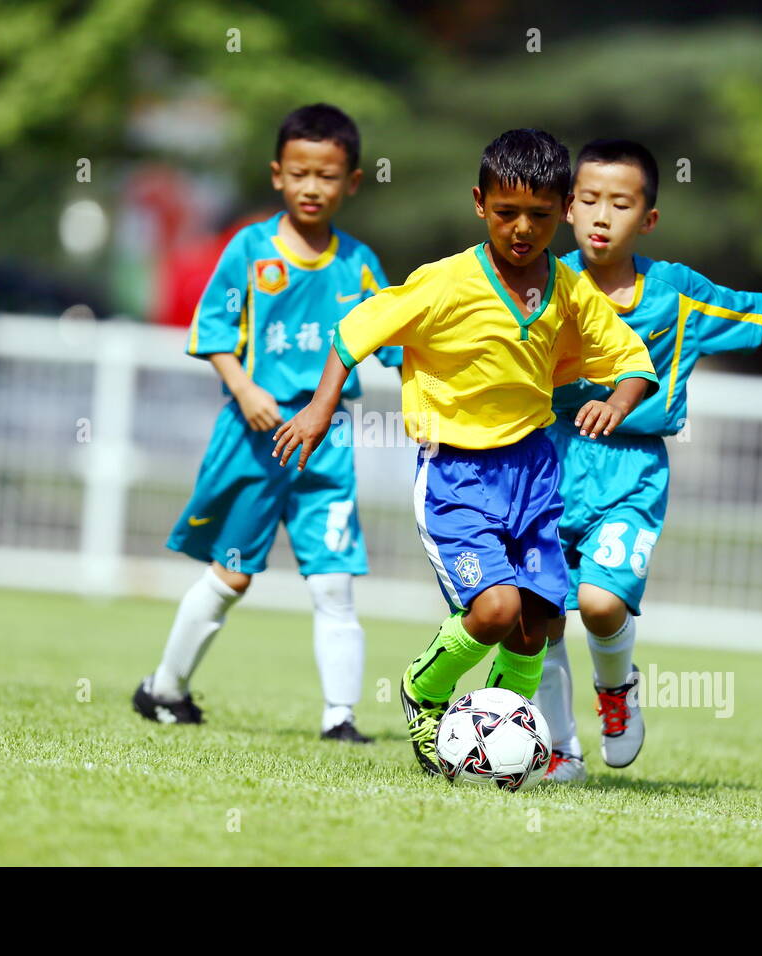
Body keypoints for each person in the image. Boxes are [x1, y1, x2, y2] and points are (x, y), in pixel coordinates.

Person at [272, 129, 659, 775]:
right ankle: (423, 690)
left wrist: (617, 401)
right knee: (495, 609)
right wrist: (319, 408)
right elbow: (355, 330)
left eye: (539, 214)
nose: (522, 228)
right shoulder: (444, 282)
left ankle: (499, 744)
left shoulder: (569, 290)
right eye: (506, 212)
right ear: (480, 204)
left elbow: (632, 359)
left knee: (537, 623)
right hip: (456, 474)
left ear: (564, 209)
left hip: (533, 471)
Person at [536, 139, 762, 782]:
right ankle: (560, 749)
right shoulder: (546, 283)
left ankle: (616, 692)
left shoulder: (676, 293)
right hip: (547, 463)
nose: (601, 216)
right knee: (538, 615)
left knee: (598, 604)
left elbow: (757, 306)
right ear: (567, 208)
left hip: (631, 474)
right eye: (588, 200)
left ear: (648, 218)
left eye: (620, 203)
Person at [132, 104, 402, 743]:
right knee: (232, 576)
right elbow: (213, 330)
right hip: (256, 439)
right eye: (300, 173)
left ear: (351, 182)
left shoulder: (359, 263)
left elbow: (396, 342)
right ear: (278, 174)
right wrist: (244, 386)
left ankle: (340, 718)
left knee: (334, 582)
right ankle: (163, 689)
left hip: (326, 443)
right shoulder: (250, 250)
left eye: (327, 176)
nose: (312, 187)